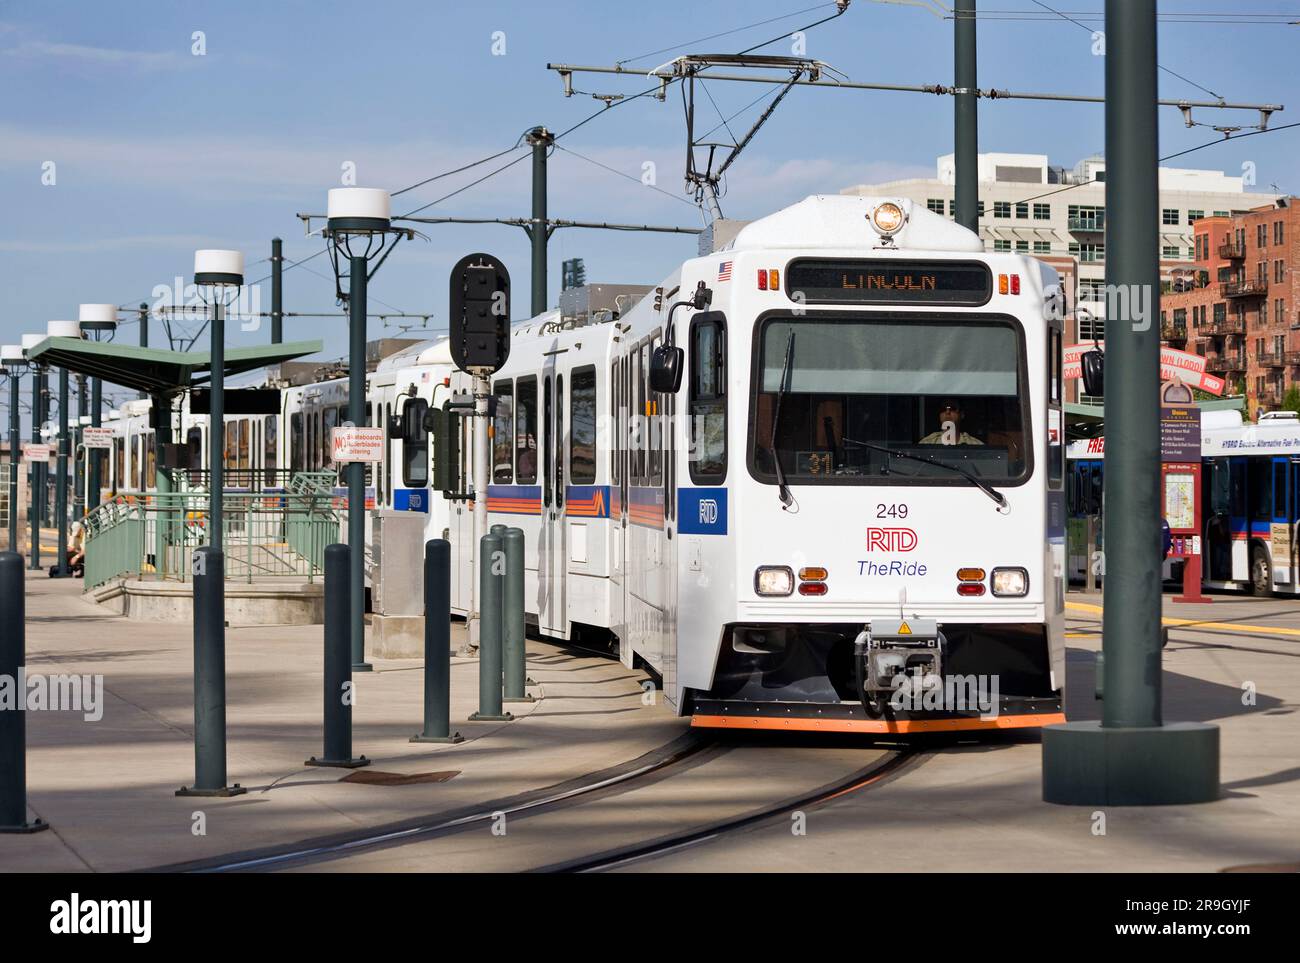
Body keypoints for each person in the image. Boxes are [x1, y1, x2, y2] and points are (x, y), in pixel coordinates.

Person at [919, 400, 983, 445]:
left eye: (953, 408)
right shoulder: (927, 444)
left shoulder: (974, 445)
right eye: (943, 409)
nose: (947, 412)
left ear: (962, 414)